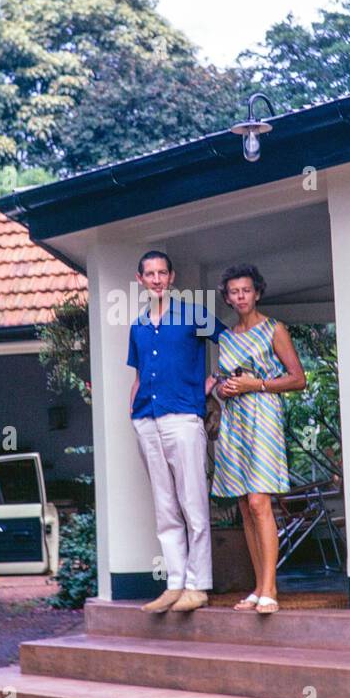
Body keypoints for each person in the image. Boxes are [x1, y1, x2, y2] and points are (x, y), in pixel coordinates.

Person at [128, 250, 226, 612]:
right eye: (149, 274)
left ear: (171, 277)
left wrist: (213, 382)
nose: (156, 279)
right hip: (147, 421)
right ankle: (174, 582)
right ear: (140, 279)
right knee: (165, 506)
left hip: (183, 418)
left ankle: (198, 586)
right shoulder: (138, 326)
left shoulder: (192, 314)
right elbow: (138, 376)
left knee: (193, 502)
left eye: (162, 273)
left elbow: (228, 340)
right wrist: (133, 411)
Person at [210, 263, 306, 614]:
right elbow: (226, 380)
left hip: (264, 416)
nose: (241, 296)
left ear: (257, 293)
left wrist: (257, 384)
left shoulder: (273, 329)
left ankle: (270, 589)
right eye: (234, 292)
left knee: (258, 502)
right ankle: (259, 586)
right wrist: (225, 387)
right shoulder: (226, 337)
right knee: (243, 507)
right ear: (228, 298)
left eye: (246, 290)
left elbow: (298, 379)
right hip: (235, 420)